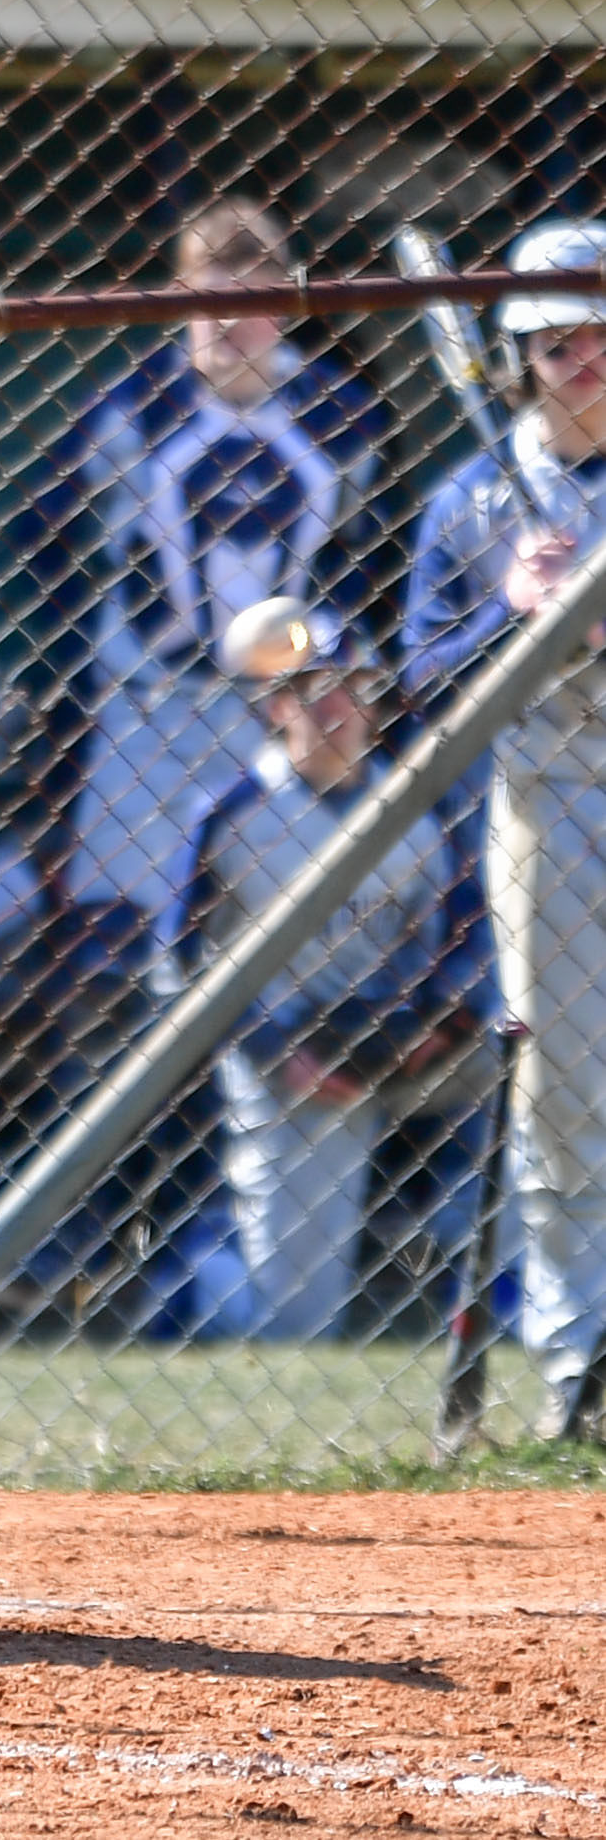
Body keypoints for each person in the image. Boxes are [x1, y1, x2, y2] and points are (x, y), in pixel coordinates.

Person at [402, 218, 606, 1437]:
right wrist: (515, 610)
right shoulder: (473, 499)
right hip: (549, 789)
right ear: (517, 356)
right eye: (554, 340)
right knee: (564, 1090)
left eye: (600, 333)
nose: (582, 358)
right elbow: (421, 675)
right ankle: (580, 1364)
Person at [54, 198, 391, 921]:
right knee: (120, 913)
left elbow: (363, 557)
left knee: (274, 912)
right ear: (180, 300)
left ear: (288, 303)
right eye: (211, 300)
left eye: (253, 300)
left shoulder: (342, 415)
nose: (230, 322)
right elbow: (52, 539)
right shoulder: (130, 409)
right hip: (152, 698)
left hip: (284, 705)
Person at [165, 623, 490, 1339]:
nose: (339, 709)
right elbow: (176, 961)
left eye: (355, 690)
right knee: (298, 1319)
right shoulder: (233, 811)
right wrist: (270, 1048)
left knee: (530, 1061)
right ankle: (206, 1271)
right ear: (278, 705)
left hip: (400, 1038)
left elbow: (469, 939)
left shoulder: (417, 805)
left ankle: (499, 1271)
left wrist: (440, 1026)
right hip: (286, 1048)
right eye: (315, 692)